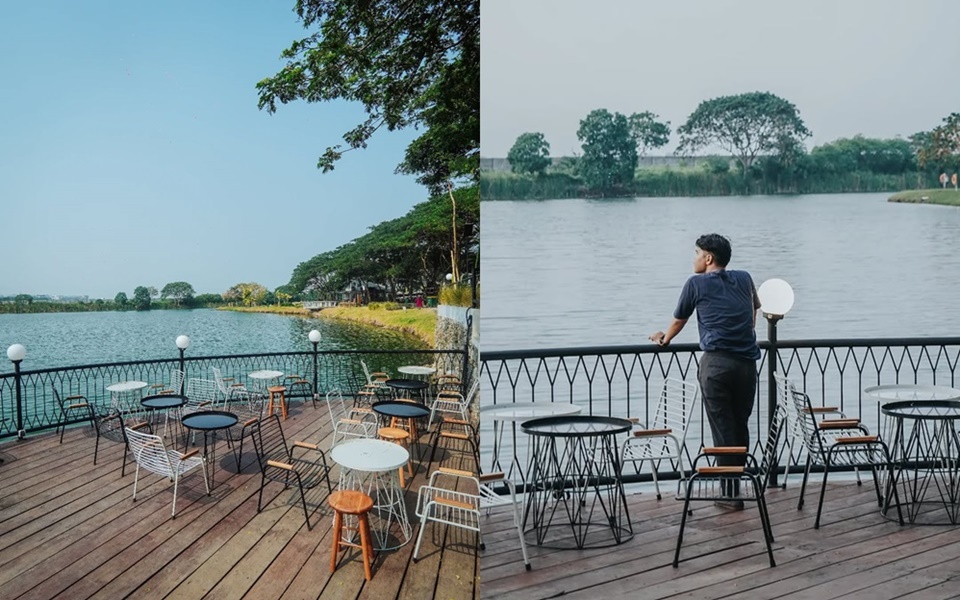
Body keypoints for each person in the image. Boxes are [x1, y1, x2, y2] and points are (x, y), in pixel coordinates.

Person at [649, 233, 761, 510]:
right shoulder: (744, 278)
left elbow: (679, 320)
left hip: (717, 365)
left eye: (697, 253)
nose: (694, 258)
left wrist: (665, 339)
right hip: (747, 364)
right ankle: (739, 485)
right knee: (740, 425)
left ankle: (730, 494)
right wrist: (744, 333)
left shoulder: (696, 283)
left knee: (723, 429)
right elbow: (754, 310)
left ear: (708, 258)